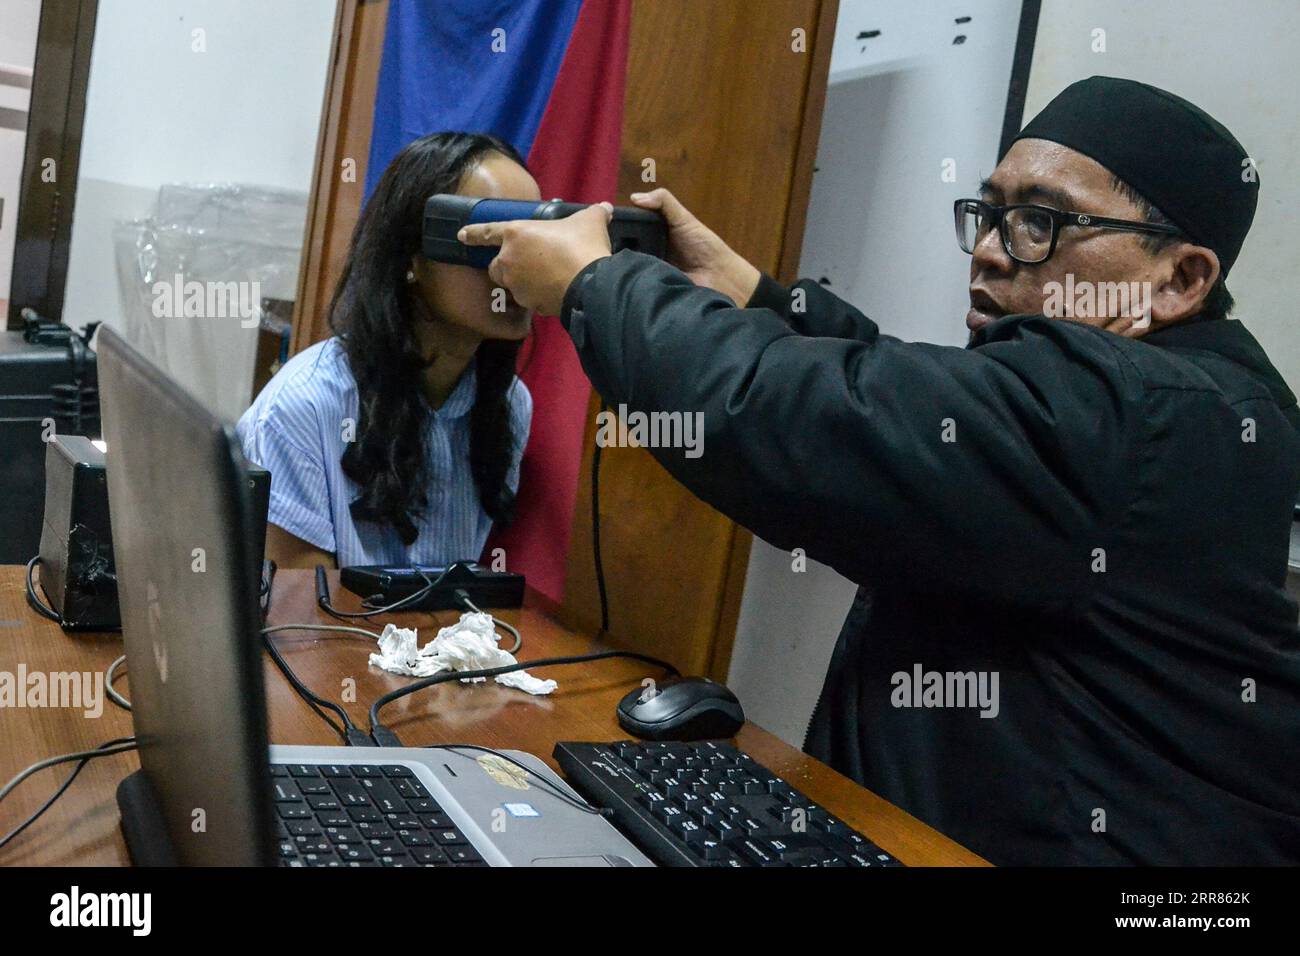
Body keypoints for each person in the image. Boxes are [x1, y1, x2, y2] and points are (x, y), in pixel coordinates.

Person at [459, 77, 1300, 865]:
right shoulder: (1197, 398)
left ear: (1180, 278)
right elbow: (916, 404)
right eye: (989, 211)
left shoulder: (1129, 412)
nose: (991, 253)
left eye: (1042, 222)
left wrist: (595, 286)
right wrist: (754, 294)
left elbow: (815, 420)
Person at [238, 132, 535, 569]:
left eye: (533, 242)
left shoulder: (509, 404)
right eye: (490, 242)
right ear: (412, 257)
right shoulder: (303, 407)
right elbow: (300, 622)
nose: (517, 267)